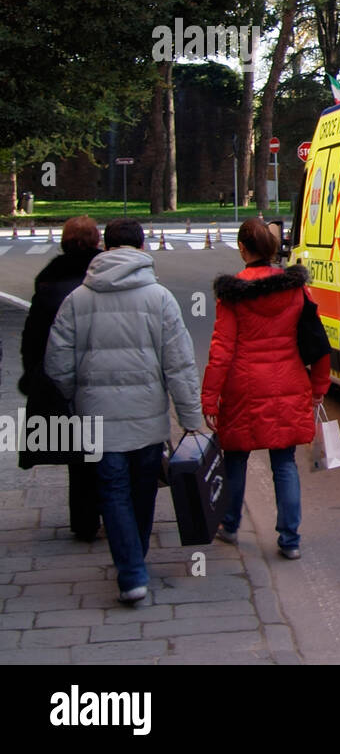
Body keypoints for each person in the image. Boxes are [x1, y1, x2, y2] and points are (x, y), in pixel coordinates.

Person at [45, 219, 203, 604]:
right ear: (142, 246)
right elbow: (179, 364)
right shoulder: (159, 298)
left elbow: (57, 362)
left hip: (96, 418)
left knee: (112, 491)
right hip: (147, 418)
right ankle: (136, 559)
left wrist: (75, 396)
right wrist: (191, 418)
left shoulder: (78, 300)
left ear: (105, 248)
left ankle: (131, 573)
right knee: (143, 488)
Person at [201, 218, 329, 560]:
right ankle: (290, 539)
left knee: (236, 459)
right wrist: (318, 385)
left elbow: (221, 349)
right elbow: (317, 341)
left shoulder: (232, 294)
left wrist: (209, 398)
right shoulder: (296, 289)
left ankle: (229, 524)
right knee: (284, 463)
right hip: (288, 382)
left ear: (243, 249)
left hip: (242, 388)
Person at [18, 216, 102, 540]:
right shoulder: (102, 276)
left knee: (79, 454)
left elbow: (34, 335)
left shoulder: (49, 281)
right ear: (97, 241)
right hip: (103, 372)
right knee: (109, 448)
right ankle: (115, 512)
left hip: (64, 376)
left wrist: (34, 374)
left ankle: (83, 521)